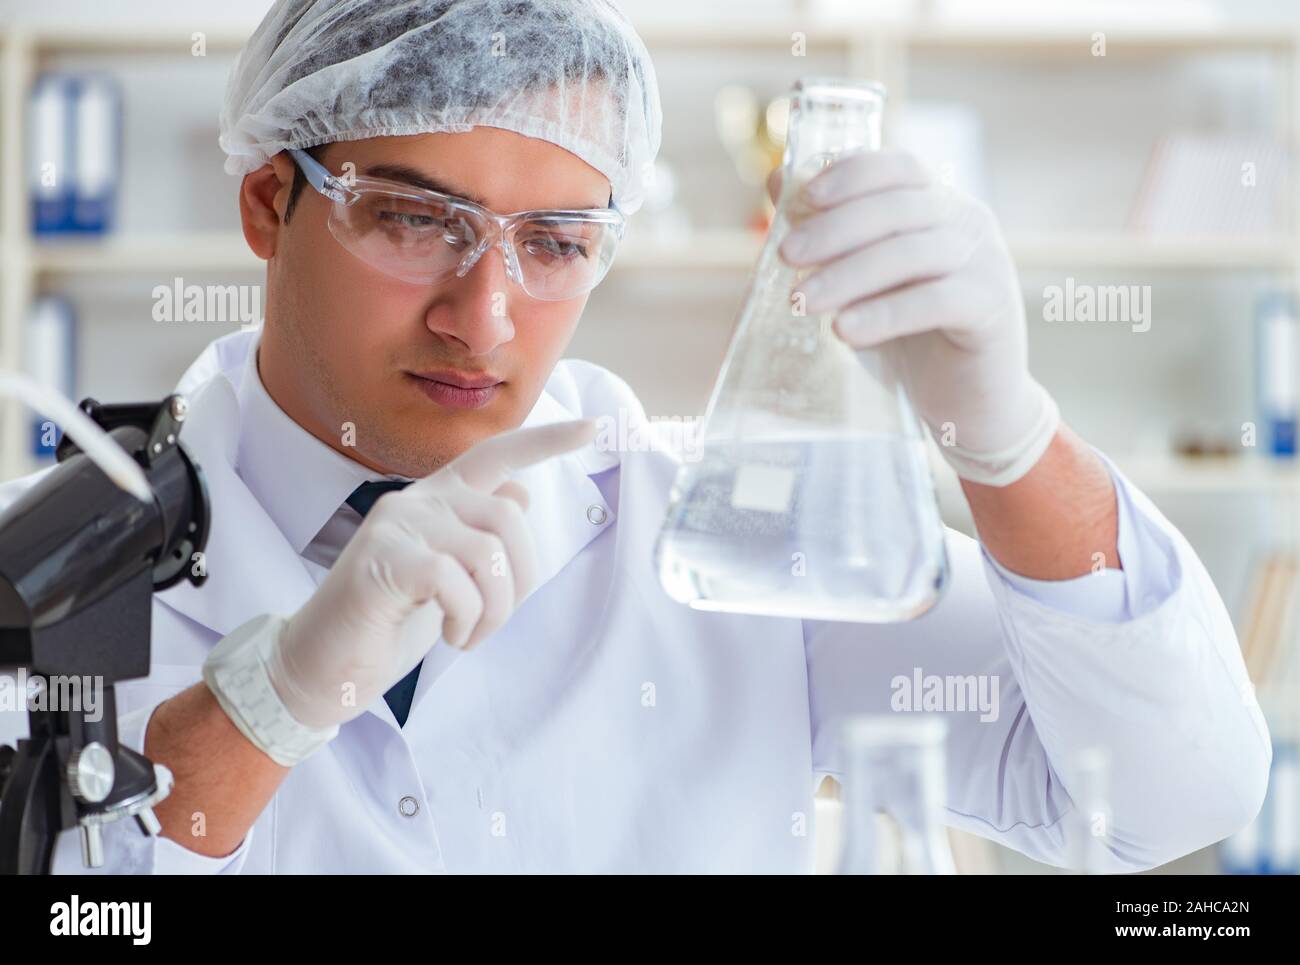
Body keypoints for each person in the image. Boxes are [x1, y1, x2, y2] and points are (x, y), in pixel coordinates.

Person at [0, 0, 1268, 874]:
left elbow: (1165, 797)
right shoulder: (48, 573)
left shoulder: (729, 547)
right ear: (269, 202)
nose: (481, 313)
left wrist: (1003, 436)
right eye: (407, 217)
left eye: (554, 244)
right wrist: (271, 703)